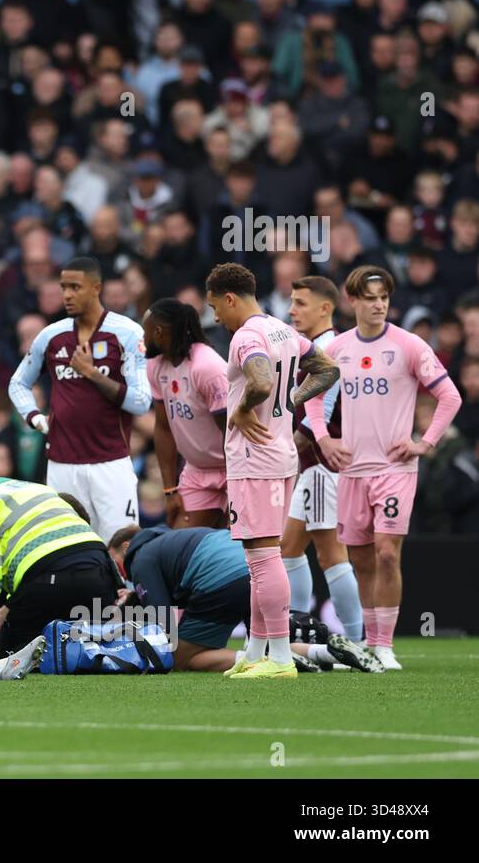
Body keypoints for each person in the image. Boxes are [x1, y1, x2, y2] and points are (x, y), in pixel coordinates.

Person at [305, 266, 461, 670]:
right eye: (370, 298)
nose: (379, 305)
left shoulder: (409, 345)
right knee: (360, 560)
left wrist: (423, 443)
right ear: (352, 301)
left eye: (384, 298)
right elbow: (309, 395)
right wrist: (323, 439)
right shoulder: (336, 348)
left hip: (395, 470)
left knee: (388, 554)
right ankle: (369, 644)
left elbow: (450, 397)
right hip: (351, 470)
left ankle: (383, 644)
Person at [204, 262, 340, 680]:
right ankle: (255, 649)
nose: (214, 317)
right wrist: (292, 401)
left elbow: (260, 382)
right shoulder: (283, 329)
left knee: (263, 558)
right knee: (259, 558)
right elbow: (328, 369)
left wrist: (244, 408)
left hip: (254, 459)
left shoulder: (247, 336)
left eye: (214, 307)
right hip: (282, 455)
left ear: (230, 298)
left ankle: (280, 658)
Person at [108, 525, 382, 674]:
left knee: (179, 657)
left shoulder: (140, 558)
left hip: (220, 579)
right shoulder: (172, 540)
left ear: (126, 547)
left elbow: (163, 622)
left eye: (115, 562)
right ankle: (327, 652)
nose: (119, 572)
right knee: (268, 640)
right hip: (254, 569)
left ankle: (256, 662)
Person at [9, 256, 151, 542]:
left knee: (121, 545)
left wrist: (92, 374)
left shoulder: (127, 332)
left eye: (75, 287)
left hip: (110, 462)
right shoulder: (51, 336)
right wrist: (36, 418)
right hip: (62, 463)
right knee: (66, 545)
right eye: (63, 287)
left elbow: (141, 402)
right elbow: (18, 384)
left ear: (96, 288)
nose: (67, 295)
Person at [0, 468, 122, 653]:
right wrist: (8, 607)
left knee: (15, 656)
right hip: (99, 564)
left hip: (49, 573)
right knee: (100, 651)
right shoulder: (27, 487)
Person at [281, 276, 361, 639]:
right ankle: (297, 628)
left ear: (325, 308)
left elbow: (319, 420)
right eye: (292, 302)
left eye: (300, 303)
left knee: (330, 554)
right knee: (289, 546)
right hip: (315, 467)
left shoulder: (328, 349)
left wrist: (277, 453)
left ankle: (358, 640)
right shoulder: (314, 347)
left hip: (325, 467)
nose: (291, 310)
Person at [144, 298, 229, 528]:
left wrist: (238, 488)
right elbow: (163, 428)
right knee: (181, 549)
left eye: (146, 331)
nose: (142, 338)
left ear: (159, 332)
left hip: (236, 469)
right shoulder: (155, 365)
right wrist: (170, 490)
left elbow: (233, 432)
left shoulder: (207, 367)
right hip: (198, 471)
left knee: (244, 552)